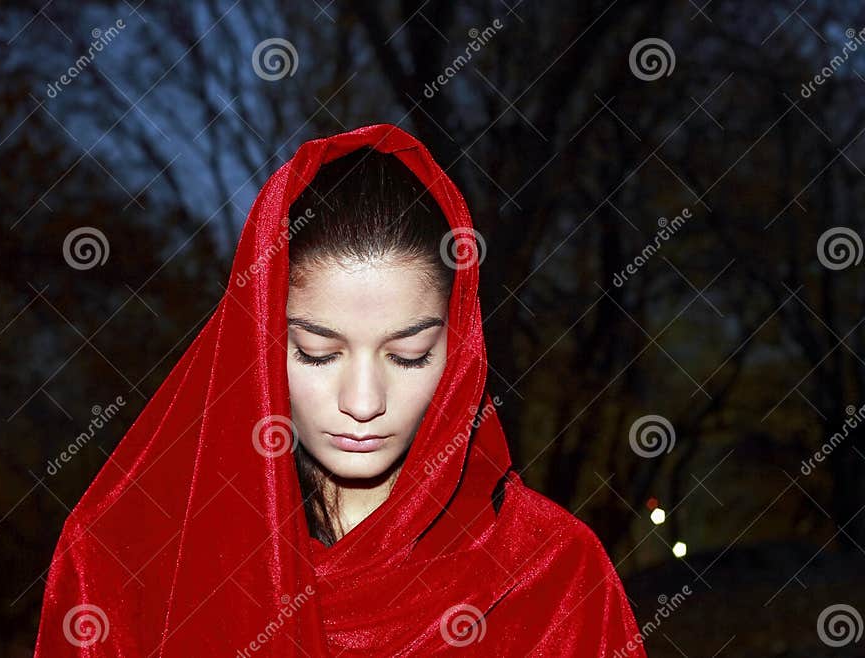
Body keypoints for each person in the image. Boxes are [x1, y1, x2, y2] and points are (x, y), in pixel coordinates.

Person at [33, 123, 648, 656]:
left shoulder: (553, 579)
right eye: (317, 352)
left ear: (457, 350)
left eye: (409, 356)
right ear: (258, 343)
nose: (362, 402)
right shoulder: (130, 567)